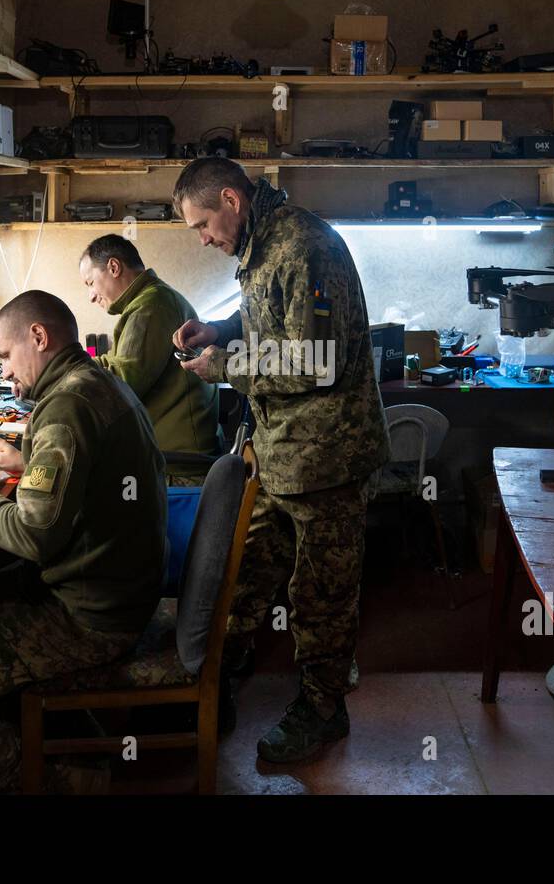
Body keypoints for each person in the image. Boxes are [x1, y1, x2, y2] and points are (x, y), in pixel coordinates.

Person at [0, 290, 167, 792]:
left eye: (4, 355)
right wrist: (28, 463)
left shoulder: (65, 405)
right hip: (123, 592)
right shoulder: (94, 382)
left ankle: (58, 779)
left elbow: (34, 534)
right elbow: (94, 474)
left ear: (38, 337)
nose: (3, 373)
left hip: (92, 619)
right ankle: (71, 750)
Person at [170, 157, 390, 763]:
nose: (204, 238)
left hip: (327, 456)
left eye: (203, 224)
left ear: (231, 200)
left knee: (320, 594)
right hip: (277, 450)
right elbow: (270, 317)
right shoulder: (263, 242)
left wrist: (225, 370)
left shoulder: (305, 243)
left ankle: (322, 710)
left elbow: (314, 360)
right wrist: (219, 329)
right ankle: (218, 687)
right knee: (243, 574)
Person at [79, 234, 223, 485]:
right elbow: (118, 363)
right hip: (176, 455)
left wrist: (65, 365)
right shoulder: (151, 300)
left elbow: (122, 381)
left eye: (91, 282)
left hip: (177, 467)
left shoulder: (152, 305)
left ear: (113, 267)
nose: (91, 296)